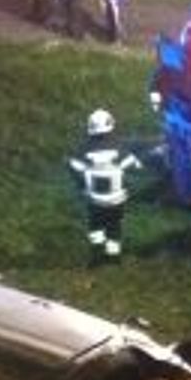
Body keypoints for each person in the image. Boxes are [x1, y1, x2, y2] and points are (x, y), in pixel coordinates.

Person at [67, 108, 143, 264]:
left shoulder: (83, 149)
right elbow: (133, 165)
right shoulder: (119, 147)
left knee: (95, 225)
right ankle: (114, 257)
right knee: (114, 226)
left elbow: (73, 166)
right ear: (111, 125)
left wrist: (81, 186)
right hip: (117, 199)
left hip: (94, 199)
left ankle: (96, 255)